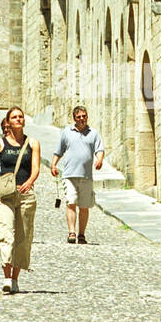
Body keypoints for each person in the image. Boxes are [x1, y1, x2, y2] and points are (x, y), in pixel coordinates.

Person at [0, 107, 41, 295]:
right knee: (5, 234)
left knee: (22, 239)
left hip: (25, 196)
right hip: (5, 196)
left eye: (21, 117)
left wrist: (30, 182)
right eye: (14, 117)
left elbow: (36, 168)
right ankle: (7, 277)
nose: (18, 119)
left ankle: (15, 279)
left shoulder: (33, 143)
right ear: (8, 122)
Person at [50, 105, 105, 244]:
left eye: (84, 116)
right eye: (79, 117)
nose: (82, 119)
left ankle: (82, 234)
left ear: (87, 117)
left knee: (84, 206)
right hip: (69, 175)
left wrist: (99, 159)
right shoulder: (66, 132)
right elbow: (59, 150)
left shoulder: (94, 133)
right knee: (71, 202)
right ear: (74, 118)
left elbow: (99, 149)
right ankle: (72, 233)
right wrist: (53, 164)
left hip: (86, 175)